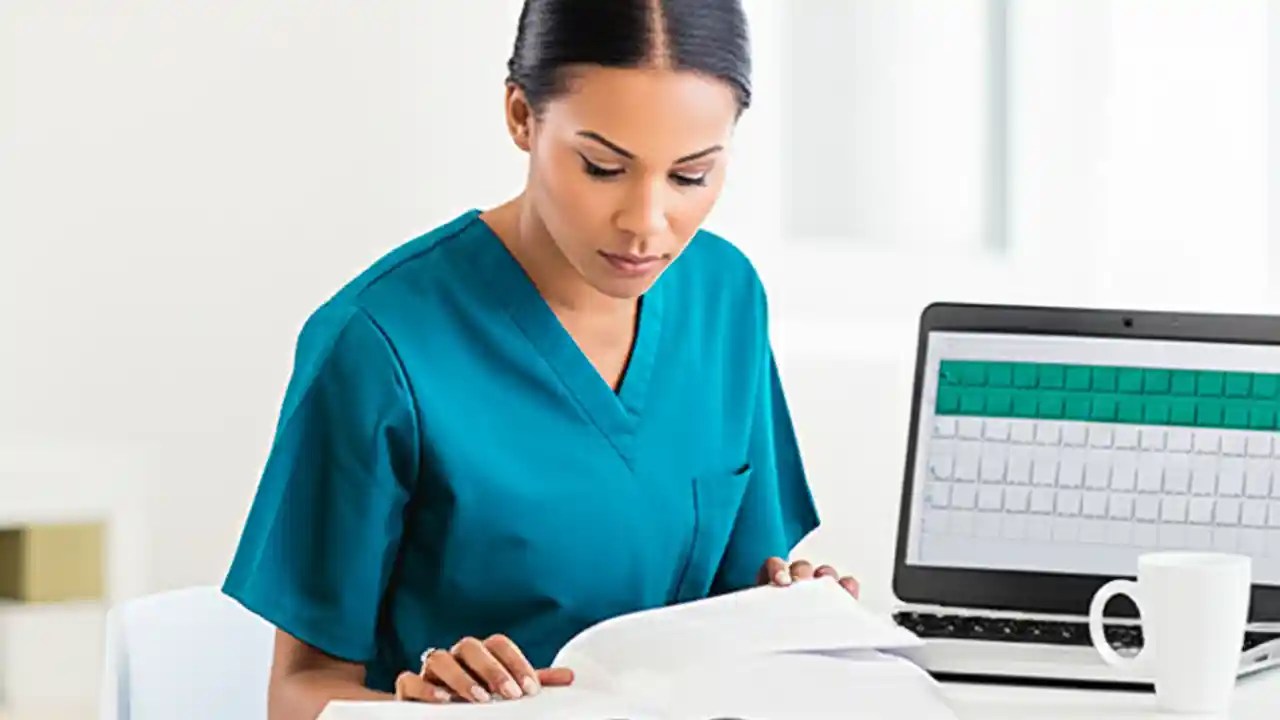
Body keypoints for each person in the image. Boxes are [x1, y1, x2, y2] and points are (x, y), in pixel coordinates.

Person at [222, 0, 860, 716]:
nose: (646, 224)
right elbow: (297, 692)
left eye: (690, 177)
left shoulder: (725, 298)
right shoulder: (376, 345)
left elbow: (734, 606)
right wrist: (417, 706)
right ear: (522, 117)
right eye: (602, 167)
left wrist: (793, 616)